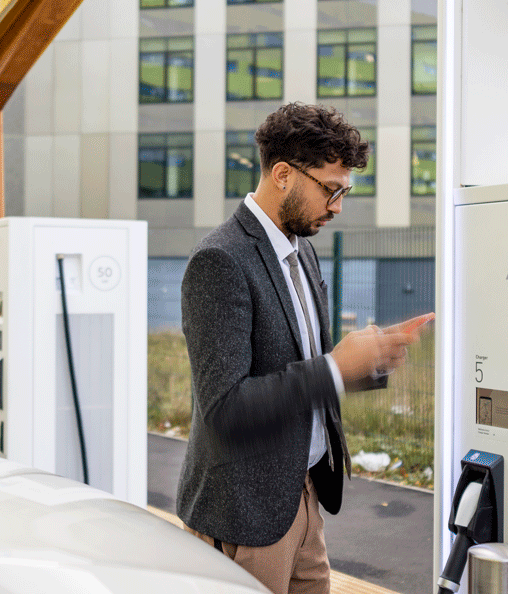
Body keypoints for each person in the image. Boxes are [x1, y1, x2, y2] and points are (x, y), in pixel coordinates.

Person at [176, 102, 433, 594]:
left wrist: (371, 358)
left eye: (345, 191)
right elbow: (225, 410)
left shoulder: (303, 249)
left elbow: (299, 364)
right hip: (245, 515)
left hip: (305, 496)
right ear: (282, 174)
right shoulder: (219, 261)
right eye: (330, 189)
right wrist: (335, 368)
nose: (337, 206)